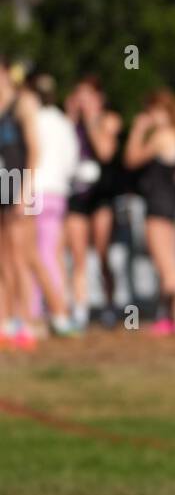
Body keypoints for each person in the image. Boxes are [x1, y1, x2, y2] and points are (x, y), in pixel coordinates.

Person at [123, 88, 175, 335]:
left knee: (166, 267)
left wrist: (138, 130)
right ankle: (174, 319)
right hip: (171, 208)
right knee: (171, 262)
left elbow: (131, 159)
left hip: (156, 208)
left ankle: (170, 318)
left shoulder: (162, 136)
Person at [64, 74, 123, 329]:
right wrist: (70, 117)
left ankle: (110, 305)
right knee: (77, 256)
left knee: (101, 254)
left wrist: (89, 121)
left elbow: (105, 152)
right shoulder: (70, 123)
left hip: (102, 197)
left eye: (87, 95)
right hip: (76, 195)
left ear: (99, 98)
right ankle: (80, 309)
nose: (83, 101)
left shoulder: (109, 120)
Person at [26, 71, 81, 336]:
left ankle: (35, 314)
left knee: (31, 255)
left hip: (32, 191)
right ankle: (58, 312)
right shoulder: (63, 122)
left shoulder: (29, 119)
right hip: (57, 194)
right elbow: (72, 163)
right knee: (51, 254)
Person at [0, 56, 41, 349]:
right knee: (3, 260)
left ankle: (26, 323)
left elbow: (36, 151)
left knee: (20, 258)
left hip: (20, 186)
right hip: (1, 185)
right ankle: (7, 320)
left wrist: (25, 192)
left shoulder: (22, 104)